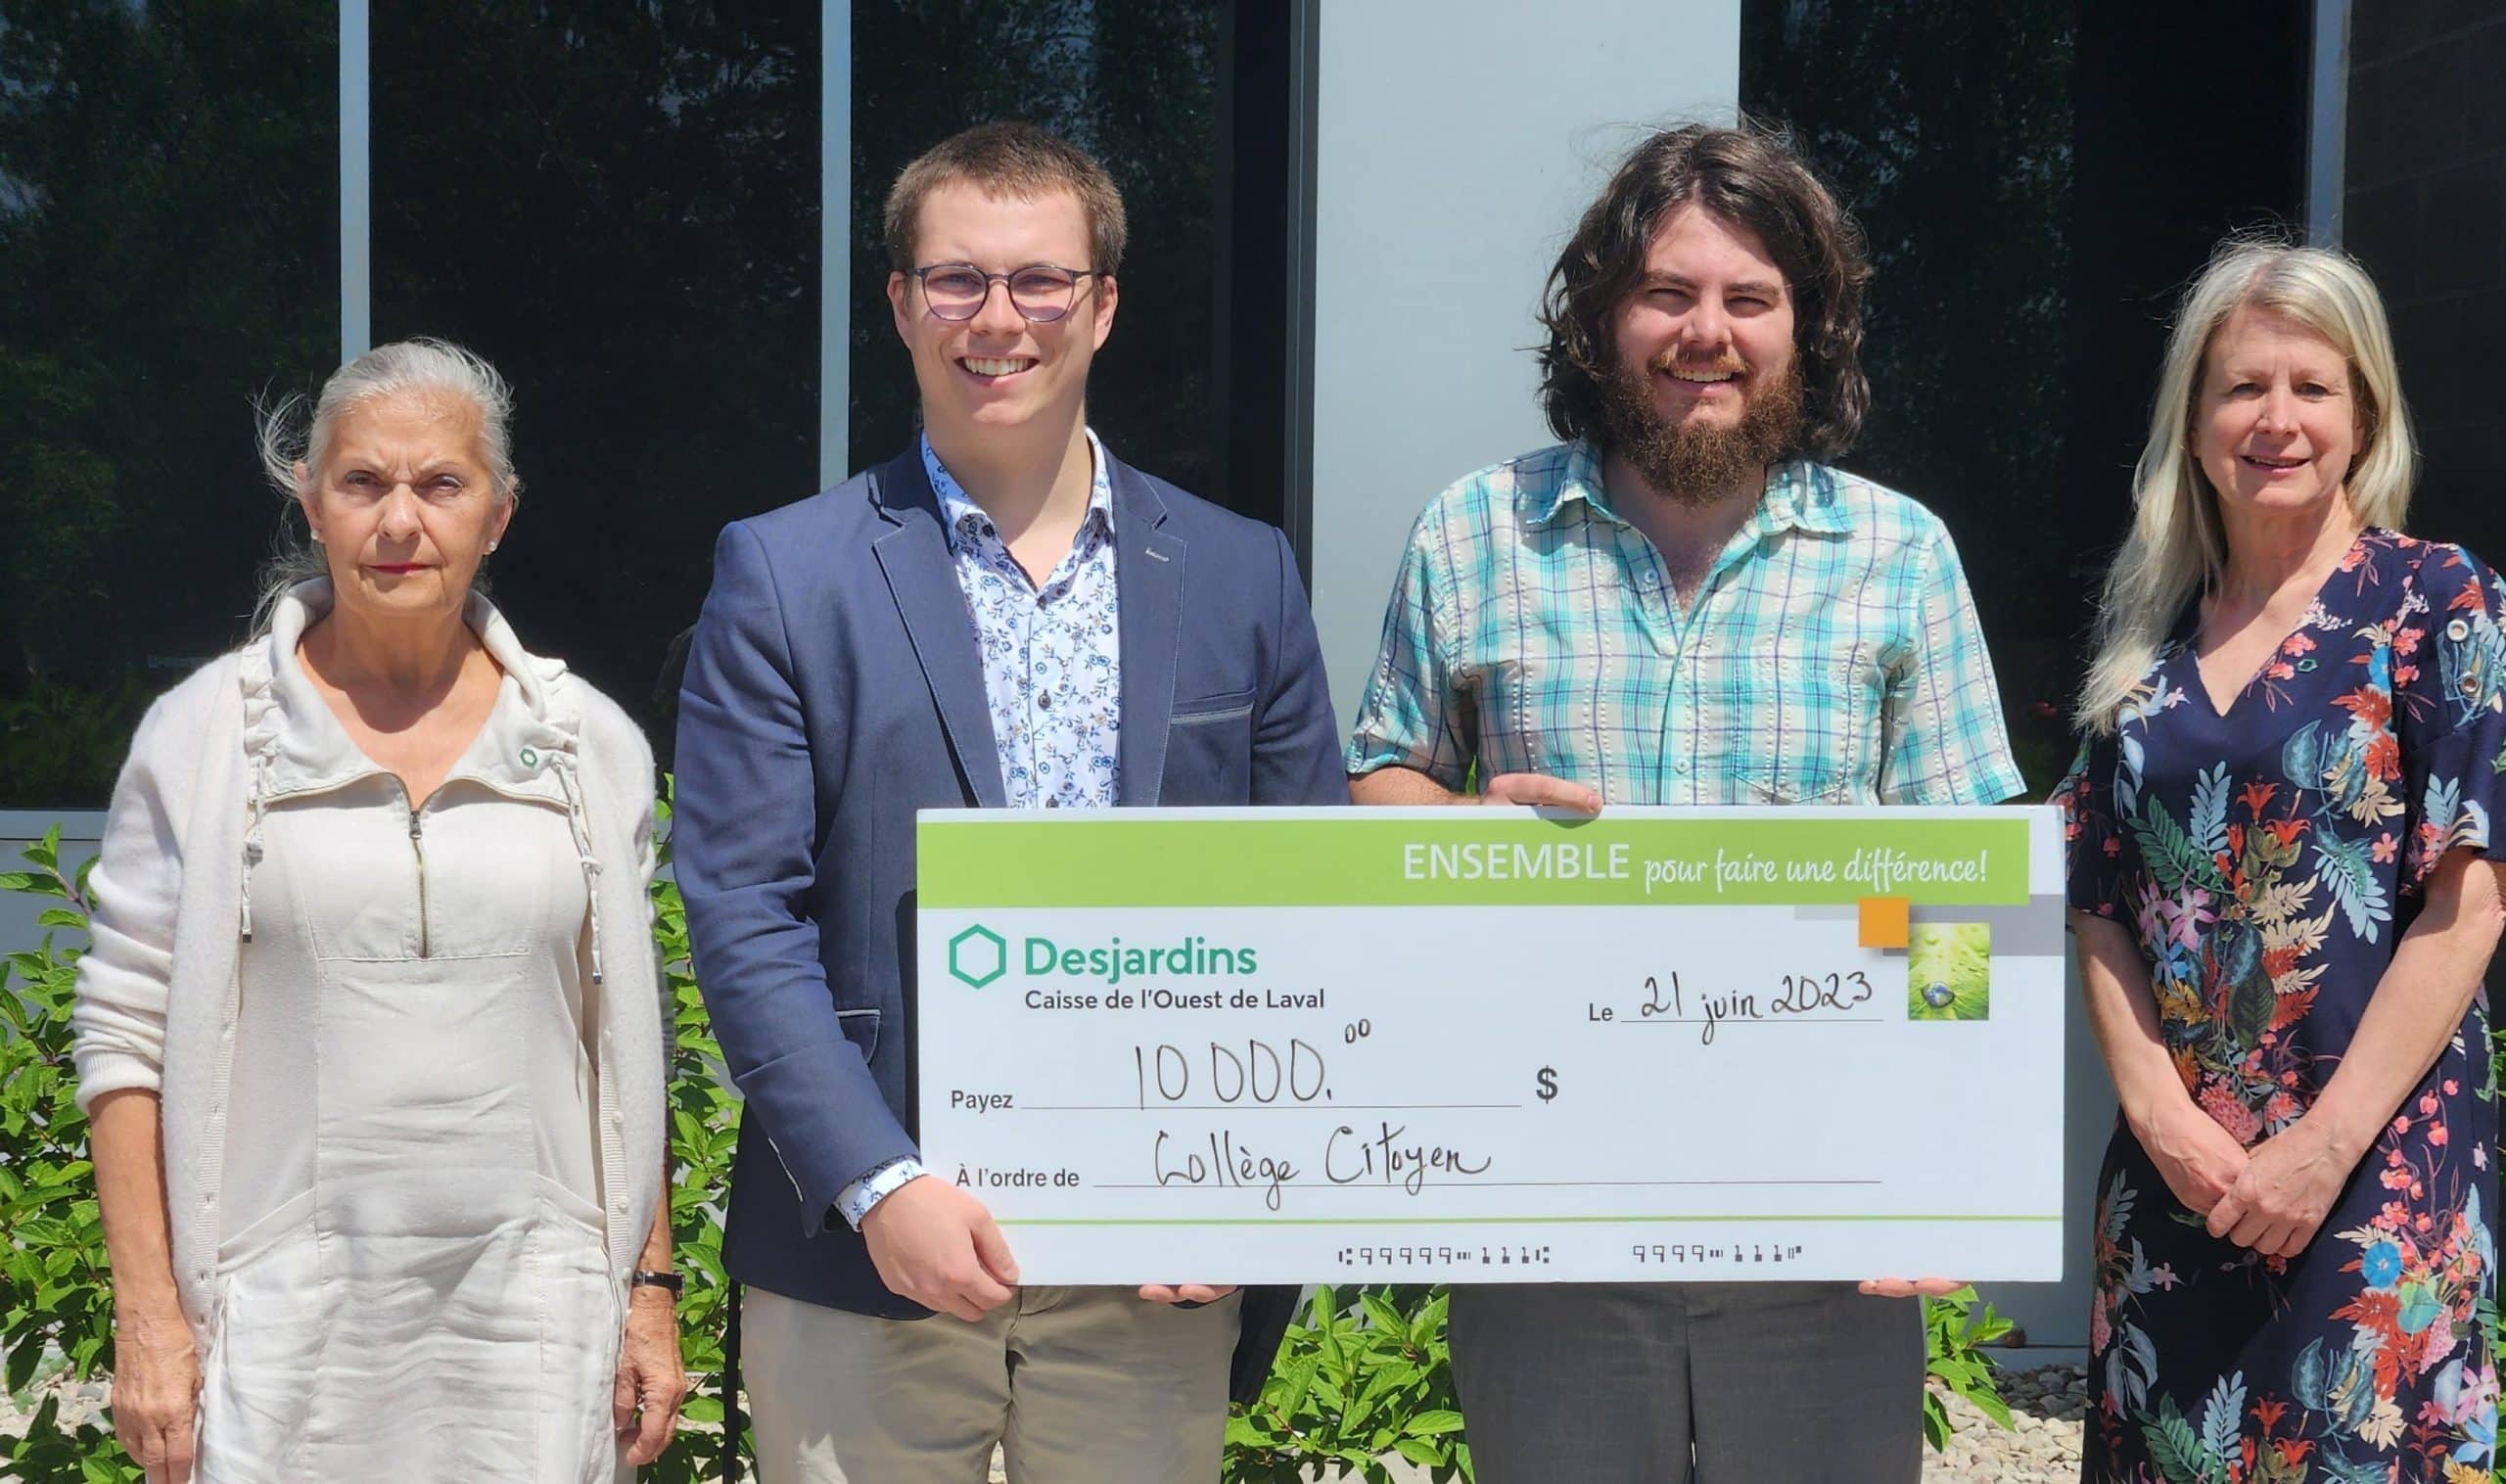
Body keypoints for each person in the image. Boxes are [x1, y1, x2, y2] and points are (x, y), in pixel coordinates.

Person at [1343, 121, 2024, 1482]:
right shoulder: (1475, 534)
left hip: (1827, 1218)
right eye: (1668, 292)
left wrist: (1946, 1166)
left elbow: (1967, 878)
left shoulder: (1897, 555)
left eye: (1749, 299)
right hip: (1547, 1214)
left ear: (1805, 329)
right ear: (1601, 317)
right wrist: (1451, 829)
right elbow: (1384, 776)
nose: (1704, 332)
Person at [673, 120, 1344, 1482]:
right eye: (955, 279)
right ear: (899, 305)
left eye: (1040, 280)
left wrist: (1247, 1191)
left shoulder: (1240, 574)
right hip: (873, 1248)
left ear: (1101, 305)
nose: (998, 318)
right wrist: (879, 1183)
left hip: (1156, 1253)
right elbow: (745, 912)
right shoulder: (786, 576)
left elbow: (1310, 904)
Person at [72, 339, 684, 1482]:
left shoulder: (586, 743)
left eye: (440, 484)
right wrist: (149, 1315)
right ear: (312, 502)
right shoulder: (203, 737)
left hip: (534, 1327)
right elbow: (123, 1043)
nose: (399, 520)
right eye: (363, 483)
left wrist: (648, 1292)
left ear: (496, 515)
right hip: (282, 1325)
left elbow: (622, 1048)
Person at [2060, 238, 2498, 1480]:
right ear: (2191, 423)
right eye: (2242, 387)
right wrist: (2157, 1115)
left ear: (2363, 413)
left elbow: (2468, 904)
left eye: (2313, 385)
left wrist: (2316, 1153)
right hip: (2174, 1184)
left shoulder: (2434, 602)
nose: (2276, 418)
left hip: (2368, 1179)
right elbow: (2095, 900)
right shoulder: (2143, 633)